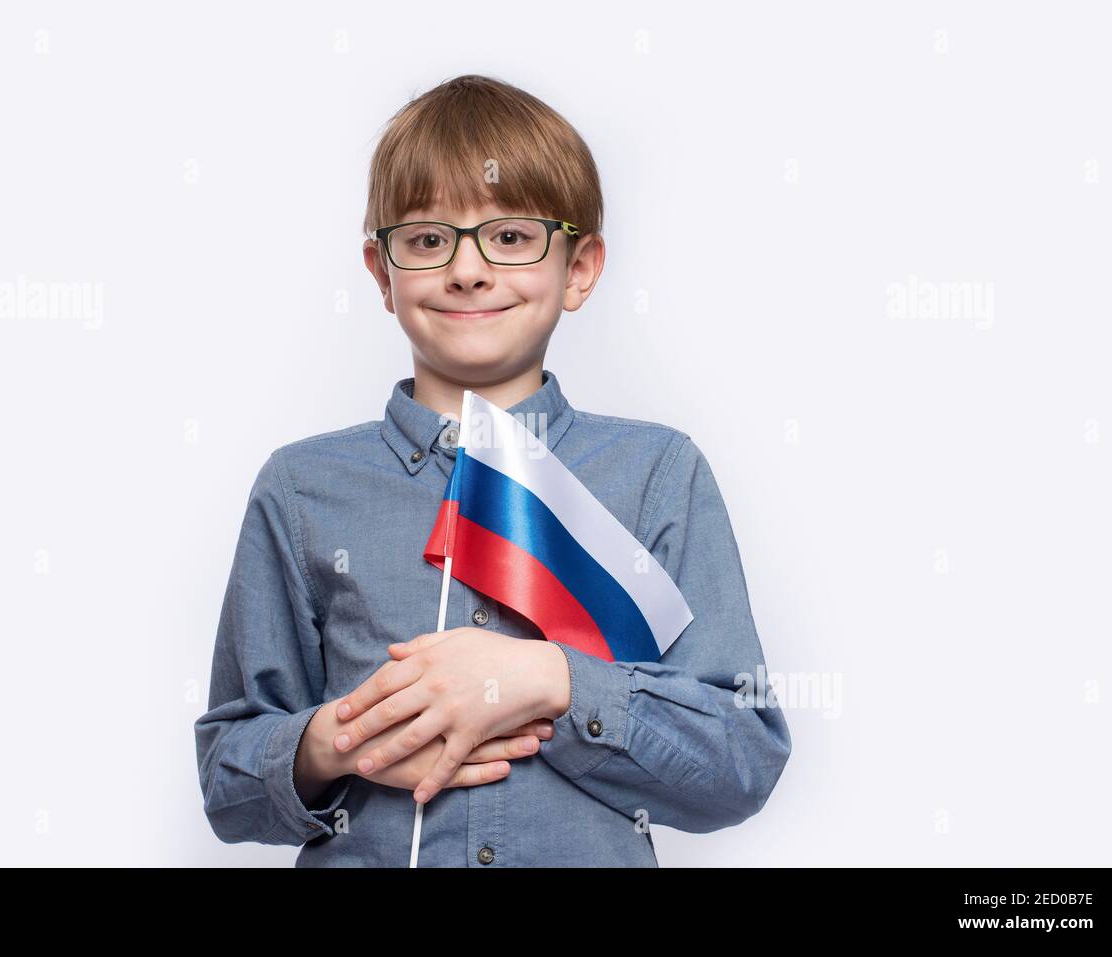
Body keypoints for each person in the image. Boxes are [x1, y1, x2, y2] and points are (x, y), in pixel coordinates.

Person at [193, 74, 791, 866]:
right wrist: (345, 741)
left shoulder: (657, 473)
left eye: (510, 238)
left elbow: (741, 757)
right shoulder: (301, 488)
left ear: (579, 268)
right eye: (429, 239)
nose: (468, 270)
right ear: (382, 272)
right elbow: (226, 780)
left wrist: (551, 678)